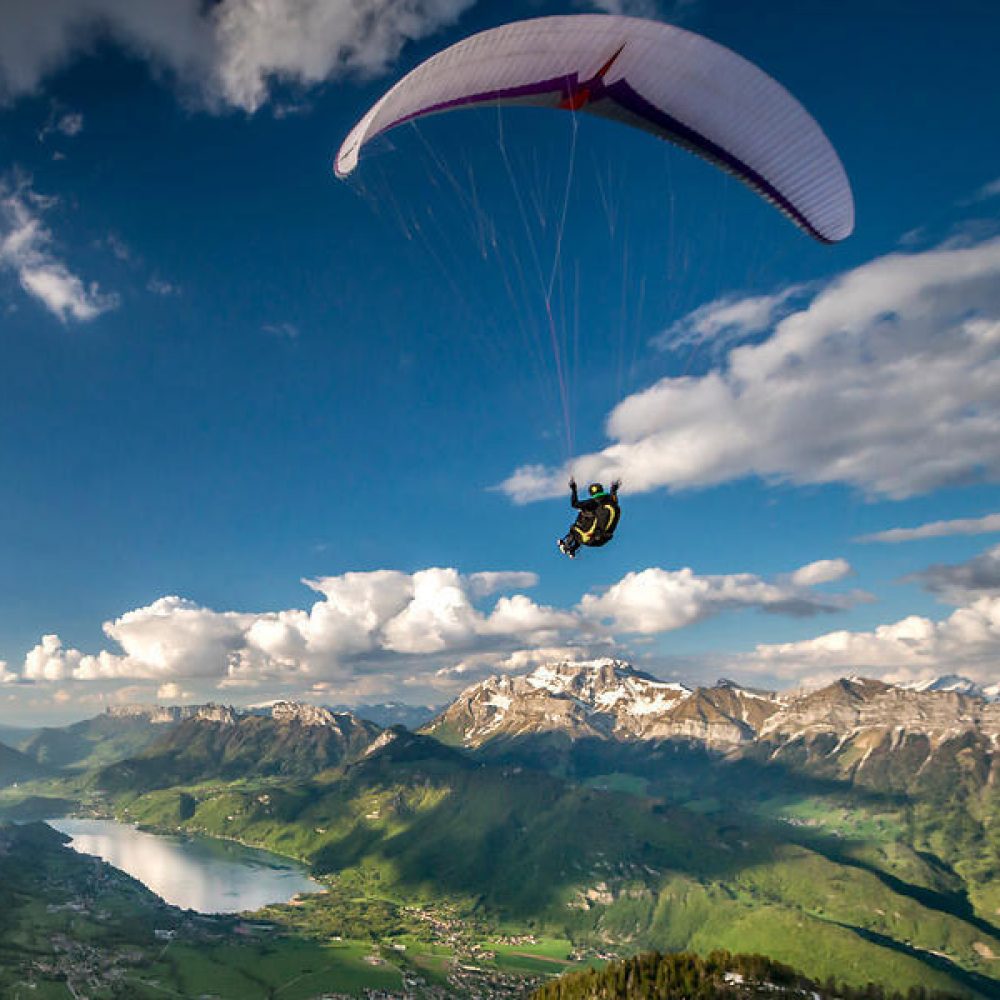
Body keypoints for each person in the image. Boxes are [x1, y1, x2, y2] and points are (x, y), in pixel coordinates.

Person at [558, 479, 621, 558]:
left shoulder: (592, 502)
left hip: (592, 538)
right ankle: (573, 550)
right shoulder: (611, 500)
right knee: (584, 526)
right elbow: (613, 496)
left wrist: (573, 489)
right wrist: (614, 488)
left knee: (574, 528)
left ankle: (567, 546)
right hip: (605, 539)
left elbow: (574, 504)